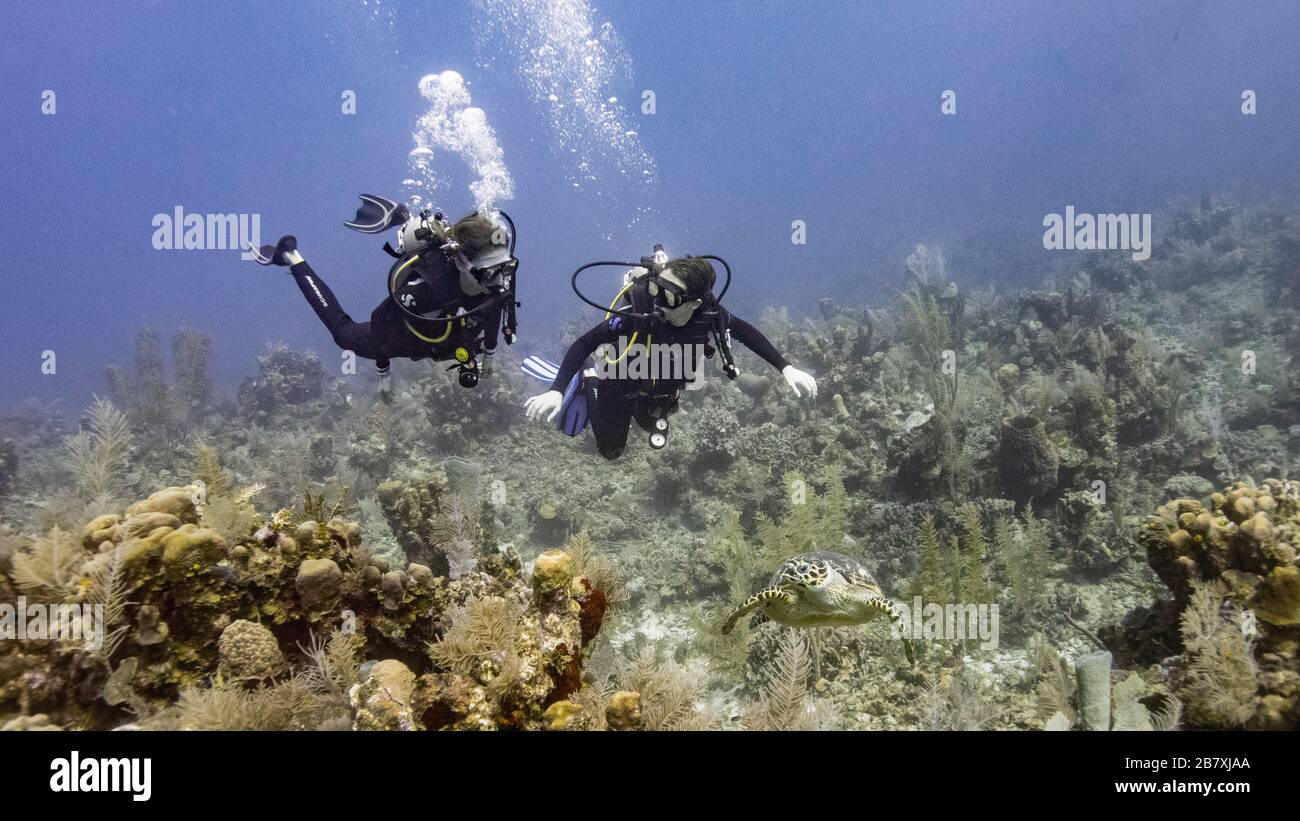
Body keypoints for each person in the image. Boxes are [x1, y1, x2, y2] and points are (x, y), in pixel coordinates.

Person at [524, 255, 816, 459]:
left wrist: (786, 368)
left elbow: (744, 331)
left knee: (651, 426)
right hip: (619, 381)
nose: (658, 302)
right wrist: (556, 392)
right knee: (611, 451)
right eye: (656, 290)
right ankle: (588, 378)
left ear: (695, 304)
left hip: (661, 391)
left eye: (671, 297)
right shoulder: (639, 314)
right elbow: (584, 343)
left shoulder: (709, 316)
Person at [250, 195, 519, 399]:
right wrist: (383, 371)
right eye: (489, 273)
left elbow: (495, 306)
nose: (498, 281)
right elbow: (381, 324)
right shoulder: (424, 291)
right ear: (463, 264)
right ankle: (291, 256)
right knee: (344, 336)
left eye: (503, 269)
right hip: (414, 337)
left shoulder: (496, 279)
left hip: (448, 335)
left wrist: (491, 356)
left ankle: (412, 220)